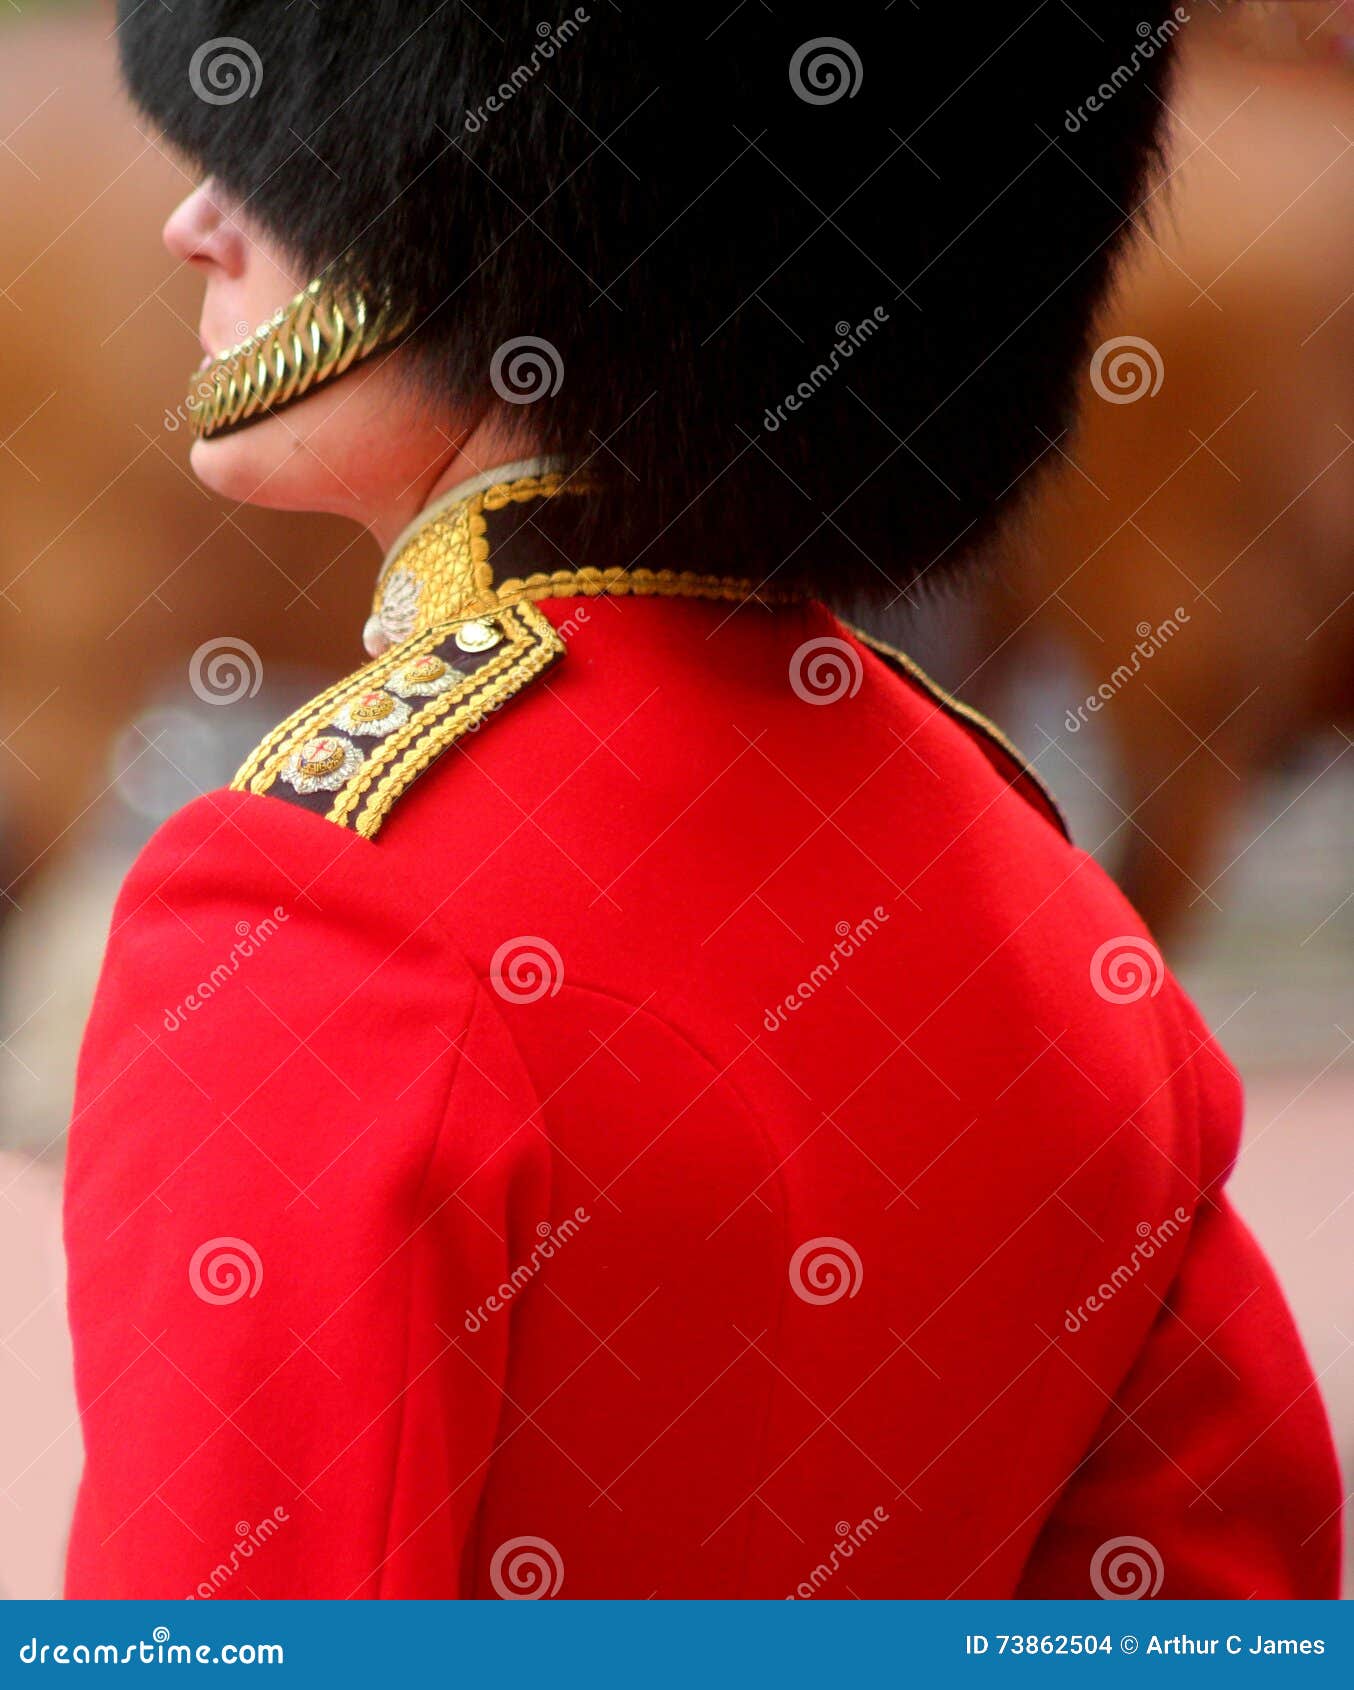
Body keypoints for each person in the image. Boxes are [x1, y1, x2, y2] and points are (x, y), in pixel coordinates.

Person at [63, 2, 1340, 1599]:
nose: (194, 221)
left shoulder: (309, 907)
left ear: (493, 230)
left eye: (278, 167)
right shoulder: (1051, 907)